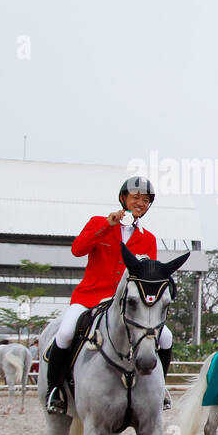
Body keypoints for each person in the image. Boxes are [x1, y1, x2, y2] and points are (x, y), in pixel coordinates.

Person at [44, 176, 175, 413]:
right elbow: (77, 250)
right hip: (90, 297)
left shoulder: (149, 239)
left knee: (166, 337)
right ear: (123, 198)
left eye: (146, 200)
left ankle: (160, 389)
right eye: (136, 198)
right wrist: (107, 224)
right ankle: (56, 391)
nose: (140, 203)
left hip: (127, 305)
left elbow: (148, 275)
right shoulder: (98, 223)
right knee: (64, 333)